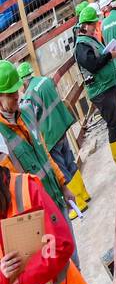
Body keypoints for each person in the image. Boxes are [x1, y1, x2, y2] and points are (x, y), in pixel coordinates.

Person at [16, 62, 90, 215]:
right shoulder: (45, 81)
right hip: (62, 127)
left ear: (23, 80)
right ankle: (84, 194)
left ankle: (78, 204)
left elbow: (30, 119)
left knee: (62, 169)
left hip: (49, 136)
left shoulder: (29, 96)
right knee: (70, 162)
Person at [72, 3, 116, 166]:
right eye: (93, 24)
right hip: (101, 91)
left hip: (107, 85)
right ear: (85, 25)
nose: (96, 27)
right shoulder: (81, 45)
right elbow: (92, 65)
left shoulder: (89, 40)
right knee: (114, 125)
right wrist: (108, 55)